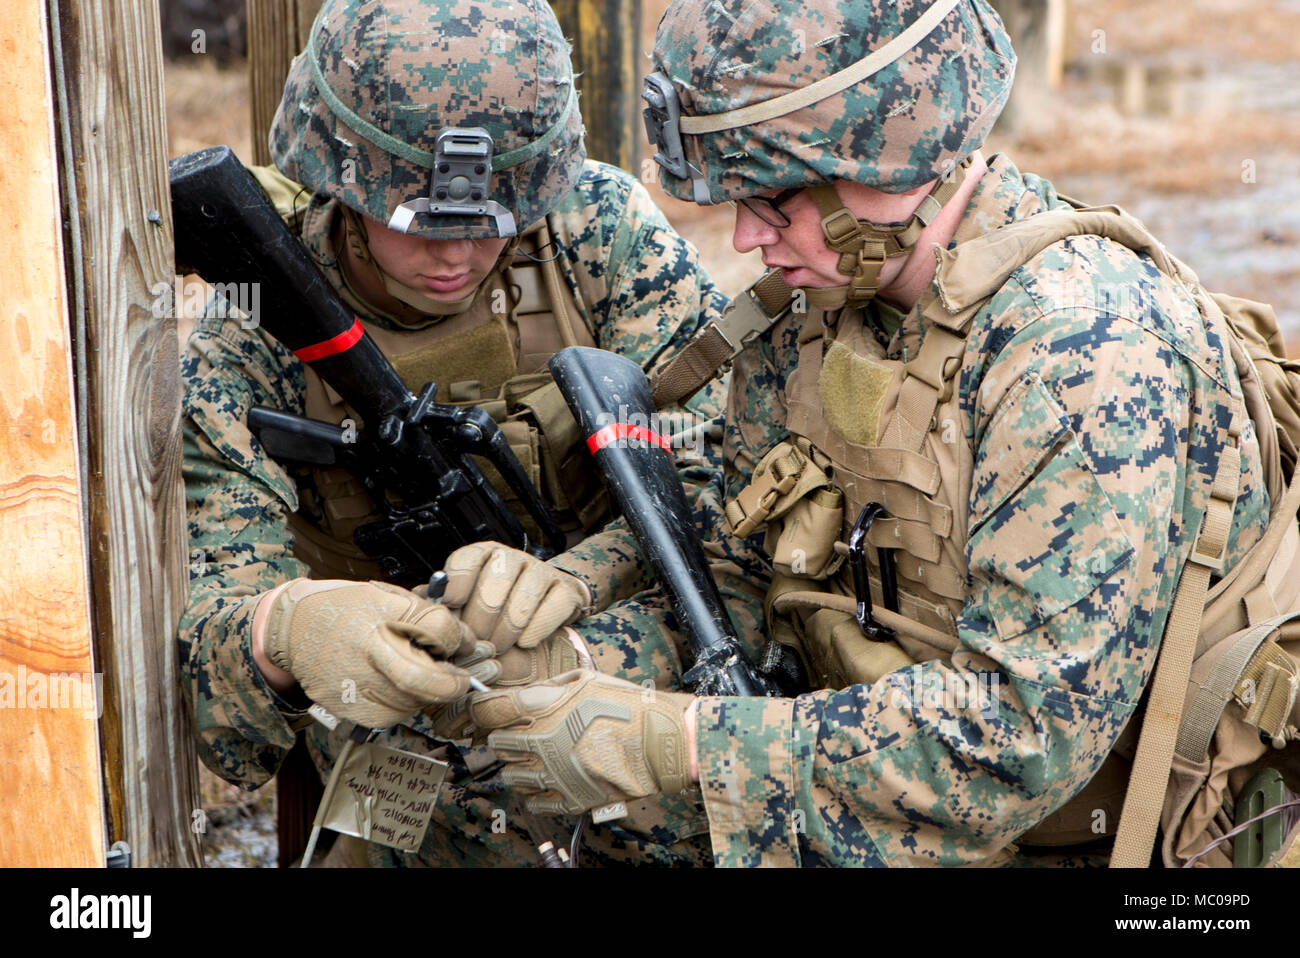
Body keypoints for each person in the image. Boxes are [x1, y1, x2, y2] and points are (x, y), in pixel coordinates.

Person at [459, 0, 1283, 866]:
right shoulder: (814, 311)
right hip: (882, 783)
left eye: (774, 201)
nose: (746, 237)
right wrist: (571, 651)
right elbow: (745, 581)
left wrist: (683, 743)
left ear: (889, 161)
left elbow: (1021, 740)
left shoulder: (1084, 352)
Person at [178, 0, 734, 865]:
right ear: (343, 179)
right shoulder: (251, 332)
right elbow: (214, 670)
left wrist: (580, 585)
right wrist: (288, 629)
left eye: (492, 223)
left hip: (614, 666)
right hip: (398, 726)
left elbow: (728, 482)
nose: (459, 256)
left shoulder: (596, 234)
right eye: (419, 222)